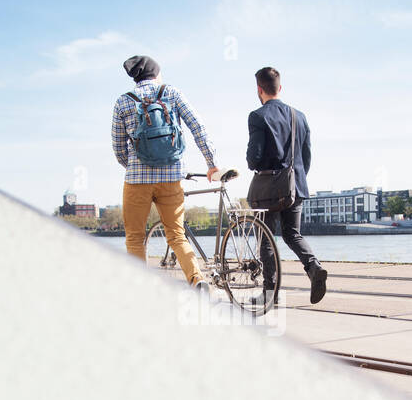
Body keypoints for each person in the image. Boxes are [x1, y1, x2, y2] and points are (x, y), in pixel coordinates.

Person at [111, 54, 221, 291]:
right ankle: (197, 279)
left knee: (135, 237)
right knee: (177, 235)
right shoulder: (171, 92)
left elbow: (118, 146)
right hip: (171, 177)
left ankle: (141, 291)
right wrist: (211, 162)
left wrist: (131, 165)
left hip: (136, 180)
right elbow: (197, 126)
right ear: (155, 73)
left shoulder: (123, 101)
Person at [246, 66, 327, 304]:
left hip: (268, 190)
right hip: (296, 185)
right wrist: (296, 178)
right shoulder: (299, 116)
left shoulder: (258, 116)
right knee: (293, 234)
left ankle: (270, 295)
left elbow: (254, 158)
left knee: (266, 238)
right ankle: (313, 268)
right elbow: (307, 155)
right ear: (280, 88)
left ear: (259, 90)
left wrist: (252, 160)